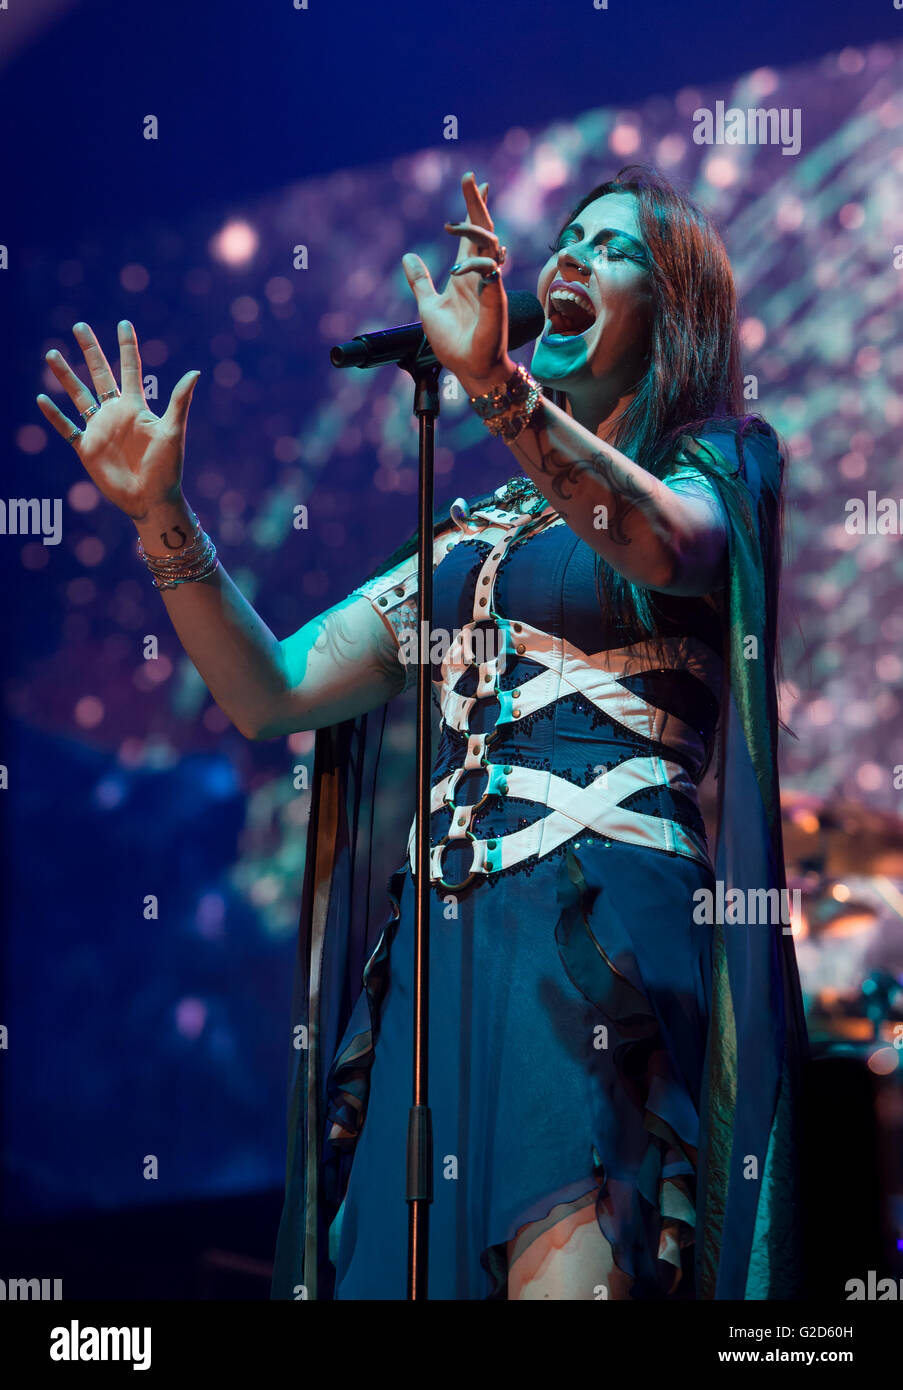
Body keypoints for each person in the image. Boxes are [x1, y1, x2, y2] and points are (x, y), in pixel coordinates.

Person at [36, 162, 808, 1301]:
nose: (569, 262)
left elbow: (661, 548)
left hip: (599, 942)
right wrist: (163, 515)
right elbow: (276, 688)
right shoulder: (468, 537)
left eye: (613, 249)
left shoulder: (721, 461)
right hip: (442, 965)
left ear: (676, 312)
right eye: (569, 242)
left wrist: (496, 388)